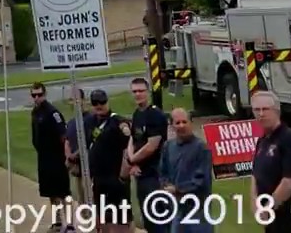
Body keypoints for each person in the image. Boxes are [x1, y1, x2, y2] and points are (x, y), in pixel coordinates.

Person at [249, 90, 291, 232]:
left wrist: (268, 207)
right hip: (271, 218)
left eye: (265, 109)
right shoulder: (262, 141)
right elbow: (255, 175)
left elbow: (289, 182)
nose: (261, 114)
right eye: (256, 110)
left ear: (276, 111)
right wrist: (255, 202)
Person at [158, 108, 213, 232]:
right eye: (177, 123)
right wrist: (165, 186)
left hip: (198, 210)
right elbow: (163, 172)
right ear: (171, 126)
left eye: (184, 122)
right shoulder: (168, 146)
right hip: (177, 209)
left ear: (191, 123)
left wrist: (177, 189)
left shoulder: (201, 148)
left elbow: (201, 180)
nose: (181, 126)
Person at [85, 89, 132, 233]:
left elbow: (127, 135)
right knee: (102, 217)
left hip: (115, 179)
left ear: (107, 102)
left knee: (122, 218)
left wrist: (124, 172)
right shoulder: (91, 121)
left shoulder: (116, 120)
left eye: (102, 102)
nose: (99, 105)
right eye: (95, 103)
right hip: (98, 179)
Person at [124, 78, 168, 233]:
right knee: (147, 218)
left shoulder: (155, 115)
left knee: (159, 218)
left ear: (147, 92)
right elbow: (133, 140)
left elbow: (152, 146)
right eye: (134, 91)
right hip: (141, 174)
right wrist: (133, 162)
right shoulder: (137, 114)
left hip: (155, 175)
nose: (138, 94)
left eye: (141, 91)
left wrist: (132, 159)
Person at [29, 83, 71, 231]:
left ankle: (67, 223)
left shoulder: (53, 113)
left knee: (61, 192)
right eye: (34, 95)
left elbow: (63, 136)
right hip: (43, 158)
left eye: (39, 95)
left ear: (44, 95)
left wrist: (66, 157)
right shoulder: (35, 112)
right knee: (50, 192)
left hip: (56, 158)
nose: (36, 98)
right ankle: (57, 221)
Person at [63, 87, 95, 199]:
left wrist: (74, 155)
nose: (74, 102)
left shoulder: (90, 119)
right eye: (72, 99)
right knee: (81, 201)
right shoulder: (71, 122)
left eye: (77, 99)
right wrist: (68, 157)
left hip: (88, 169)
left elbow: (89, 142)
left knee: (90, 199)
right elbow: (67, 140)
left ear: (83, 100)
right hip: (76, 169)